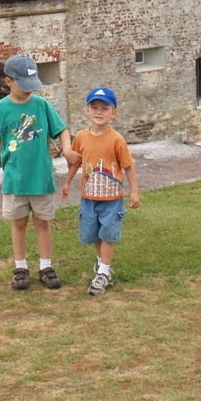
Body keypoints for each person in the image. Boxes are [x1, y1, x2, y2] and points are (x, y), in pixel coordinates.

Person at [0, 53, 78, 290]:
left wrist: (67, 149)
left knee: (42, 222)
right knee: (18, 223)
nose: (29, 91)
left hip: (41, 178)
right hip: (15, 180)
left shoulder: (42, 105)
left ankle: (46, 267)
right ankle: (21, 267)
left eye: (32, 86)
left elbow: (61, 129)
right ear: (8, 81)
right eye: (23, 85)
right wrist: (13, 156)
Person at [59, 85, 141, 295]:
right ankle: (103, 266)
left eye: (104, 108)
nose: (98, 112)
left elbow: (128, 166)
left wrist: (134, 191)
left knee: (107, 234)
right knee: (94, 234)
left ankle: (103, 272)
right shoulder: (81, 138)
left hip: (111, 199)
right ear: (87, 110)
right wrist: (67, 182)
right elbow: (76, 163)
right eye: (94, 107)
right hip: (89, 197)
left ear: (114, 113)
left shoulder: (116, 140)